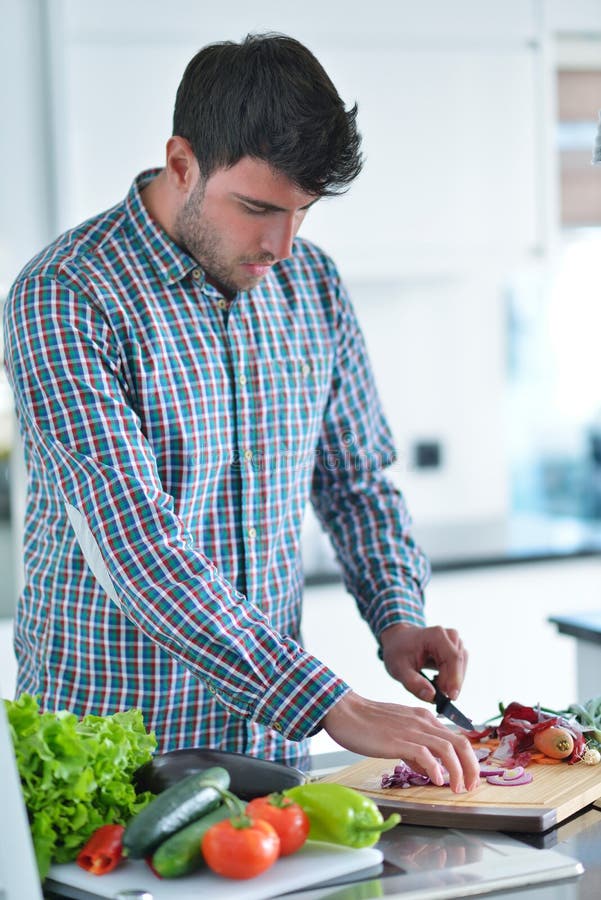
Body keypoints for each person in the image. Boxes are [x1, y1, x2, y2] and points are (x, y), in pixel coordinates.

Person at [4, 33, 479, 793]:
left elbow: (354, 480)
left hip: (266, 755)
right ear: (182, 163)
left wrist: (397, 612)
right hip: (109, 759)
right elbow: (134, 543)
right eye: (257, 207)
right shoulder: (66, 295)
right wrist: (329, 702)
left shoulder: (311, 285)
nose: (281, 245)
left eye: (301, 212)